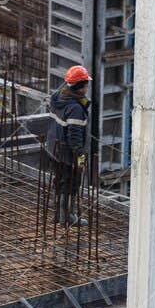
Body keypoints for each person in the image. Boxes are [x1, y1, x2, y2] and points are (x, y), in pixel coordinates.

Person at [44, 64, 92, 226]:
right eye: (86, 83)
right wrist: (80, 154)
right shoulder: (75, 108)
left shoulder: (57, 97)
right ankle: (67, 216)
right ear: (80, 87)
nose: (87, 86)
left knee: (59, 181)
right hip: (66, 153)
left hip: (53, 148)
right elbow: (75, 135)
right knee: (71, 182)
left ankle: (59, 215)